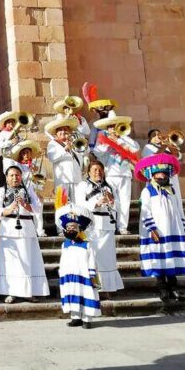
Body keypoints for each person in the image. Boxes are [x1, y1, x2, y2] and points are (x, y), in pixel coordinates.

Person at [135, 153, 185, 302]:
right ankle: (162, 288)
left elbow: (178, 208)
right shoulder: (147, 191)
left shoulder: (172, 190)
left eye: (164, 173)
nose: (162, 175)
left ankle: (174, 288)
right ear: (152, 175)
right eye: (159, 173)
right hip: (157, 230)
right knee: (159, 259)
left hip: (172, 229)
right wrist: (151, 228)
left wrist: (182, 225)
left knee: (171, 258)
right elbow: (145, 211)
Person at [0, 166, 49, 304]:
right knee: (10, 263)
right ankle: (11, 292)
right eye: (11, 175)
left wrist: (24, 204)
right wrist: (10, 208)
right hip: (8, 229)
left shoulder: (28, 189)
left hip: (26, 228)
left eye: (17, 175)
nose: (15, 178)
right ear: (6, 178)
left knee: (27, 260)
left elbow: (38, 207)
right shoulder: (2, 191)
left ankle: (28, 292)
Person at [75, 160, 124, 296]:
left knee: (108, 258)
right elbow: (79, 204)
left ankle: (107, 287)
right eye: (95, 170)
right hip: (92, 225)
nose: (98, 172)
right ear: (89, 172)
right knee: (94, 258)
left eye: (100, 170)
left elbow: (118, 206)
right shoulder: (83, 186)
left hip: (107, 224)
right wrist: (96, 203)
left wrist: (112, 201)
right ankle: (95, 287)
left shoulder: (109, 186)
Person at [55, 198, 100, 329]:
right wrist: (61, 272)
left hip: (84, 275)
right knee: (71, 293)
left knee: (85, 294)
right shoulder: (65, 244)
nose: (70, 229)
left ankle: (86, 319)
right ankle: (75, 317)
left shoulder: (87, 245)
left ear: (80, 229)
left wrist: (92, 274)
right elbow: (63, 259)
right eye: (68, 227)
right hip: (69, 274)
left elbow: (92, 260)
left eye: (73, 227)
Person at [92, 111, 140, 234]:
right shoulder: (103, 139)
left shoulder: (125, 138)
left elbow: (135, 148)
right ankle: (112, 225)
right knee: (112, 201)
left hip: (125, 174)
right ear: (107, 129)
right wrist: (108, 144)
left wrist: (118, 141)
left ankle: (122, 227)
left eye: (115, 126)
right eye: (110, 127)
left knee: (125, 202)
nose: (112, 129)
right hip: (110, 174)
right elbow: (96, 152)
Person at [45, 114, 87, 204]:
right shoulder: (53, 143)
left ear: (69, 131)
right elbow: (52, 158)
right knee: (61, 206)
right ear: (56, 132)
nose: (63, 131)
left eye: (65, 129)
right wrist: (65, 149)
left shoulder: (75, 141)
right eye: (60, 130)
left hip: (77, 179)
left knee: (78, 205)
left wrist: (75, 144)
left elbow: (85, 151)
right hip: (62, 181)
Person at [10, 140, 45, 237]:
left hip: (34, 189)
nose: (26, 155)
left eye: (28, 152)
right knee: (23, 210)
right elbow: (18, 178)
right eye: (24, 153)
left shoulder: (35, 163)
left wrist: (35, 171)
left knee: (38, 209)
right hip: (23, 189)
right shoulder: (17, 165)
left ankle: (40, 230)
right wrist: (29, 172)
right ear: (21, 155)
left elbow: (42, 178)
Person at [142, 128, 184, 201]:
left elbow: (178, 156)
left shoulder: (167, 147)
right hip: (157, 175)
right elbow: (154, 158)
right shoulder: (148, 147)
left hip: (171, 175)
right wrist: (163, 146)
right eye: (154, 135)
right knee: (159, 198)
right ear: (149, 138)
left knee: (174, 197)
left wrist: (169, 145)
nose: (157, 136)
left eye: (159, 135)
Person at [81, 82, 118, 148]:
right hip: (100, 150)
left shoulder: (114, 122)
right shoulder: (96, 125)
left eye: (107, 109)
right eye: (102, 110)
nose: (105, 111)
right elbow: (92, 140)